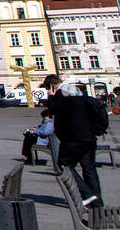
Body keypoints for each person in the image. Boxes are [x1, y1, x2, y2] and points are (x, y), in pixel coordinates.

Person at [44, 74, 105, 208]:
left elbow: (53, 109)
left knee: (64, 165)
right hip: (89, 136)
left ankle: (87, 194)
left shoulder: (62, 94)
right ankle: (97, 203)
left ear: (52, 86)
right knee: (89, 168)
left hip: (73, 138)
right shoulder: (77, 92)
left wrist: (51, 96)